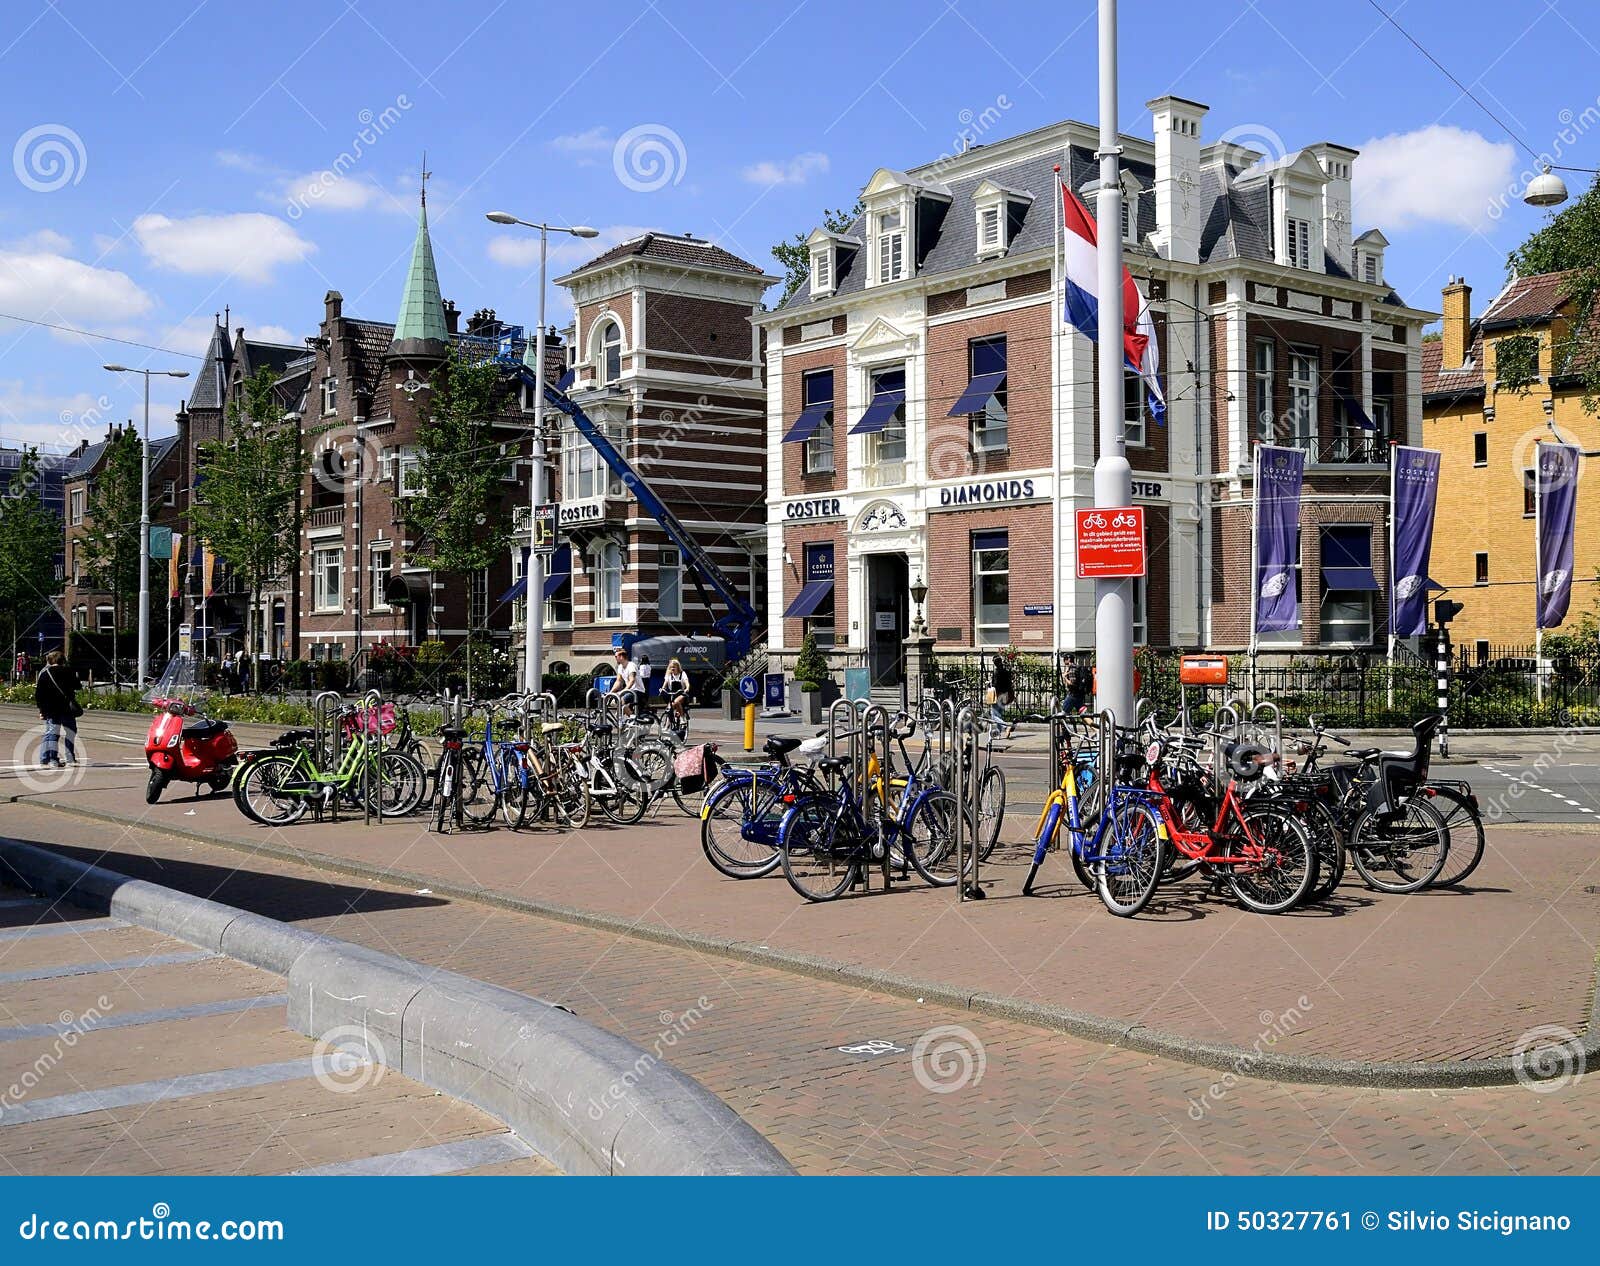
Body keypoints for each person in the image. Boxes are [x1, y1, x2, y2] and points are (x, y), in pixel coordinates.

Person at [34, 650, 81, 768]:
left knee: (53, 734)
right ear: (62, 660)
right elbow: (78, 686)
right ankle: (70, 758)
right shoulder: (69, 671)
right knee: (70, 732)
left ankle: (52, 759)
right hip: (66, 708)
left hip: (51, 709)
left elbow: (39, 694)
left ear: (50, 661)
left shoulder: (45, 673)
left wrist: (41, 710)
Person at [660, 657, 691, 735]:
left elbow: (687, 683)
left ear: (678, 667)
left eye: (674, 667)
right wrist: (662, 689)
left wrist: (687, 688)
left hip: (681, 694)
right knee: (669, 709)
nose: (672, 668)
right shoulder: (669, 675)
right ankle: (667, 726)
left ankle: (682, 718)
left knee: (677, 702)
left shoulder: (682, 674)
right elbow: (665, 682)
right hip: (672, 694)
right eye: (671, 667)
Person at [989, 651, 1015, 739]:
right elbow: (1010, 683)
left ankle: (1006, 726)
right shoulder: (1006, 671)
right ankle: (998, 734)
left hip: (998, 695)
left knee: (994, 715)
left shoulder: (997, 672)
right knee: (999, 714)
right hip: (1006, 695)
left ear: (995, 663)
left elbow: (995, 685)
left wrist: (990, 684)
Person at [607, 647, 639, 714]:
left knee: (620, 701)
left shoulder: (631, 665)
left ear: (621, 657)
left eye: (616, 656)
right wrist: (610, 692)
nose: (615, 658)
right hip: (630, 690)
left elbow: (632, 680)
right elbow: (618, 681)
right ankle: (628, 715)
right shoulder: (620, 667)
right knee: (614, 702)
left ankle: (631, 717)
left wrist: (623, 691)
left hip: (637, 690)